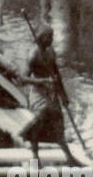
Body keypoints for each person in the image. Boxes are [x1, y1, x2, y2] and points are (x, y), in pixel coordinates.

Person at [17, 25, 84, 166]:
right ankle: (35, 156)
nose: (52, 40)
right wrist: (43, 81)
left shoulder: (51, 52)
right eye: (49, 37)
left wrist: (63, 94)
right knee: (38, 123)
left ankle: (69, 157)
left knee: (58, 122)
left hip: (52, 93)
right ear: (42, 38)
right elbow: (22, 79)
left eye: (52, 37)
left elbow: (56, 74)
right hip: (39, 94)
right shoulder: (33, 54)